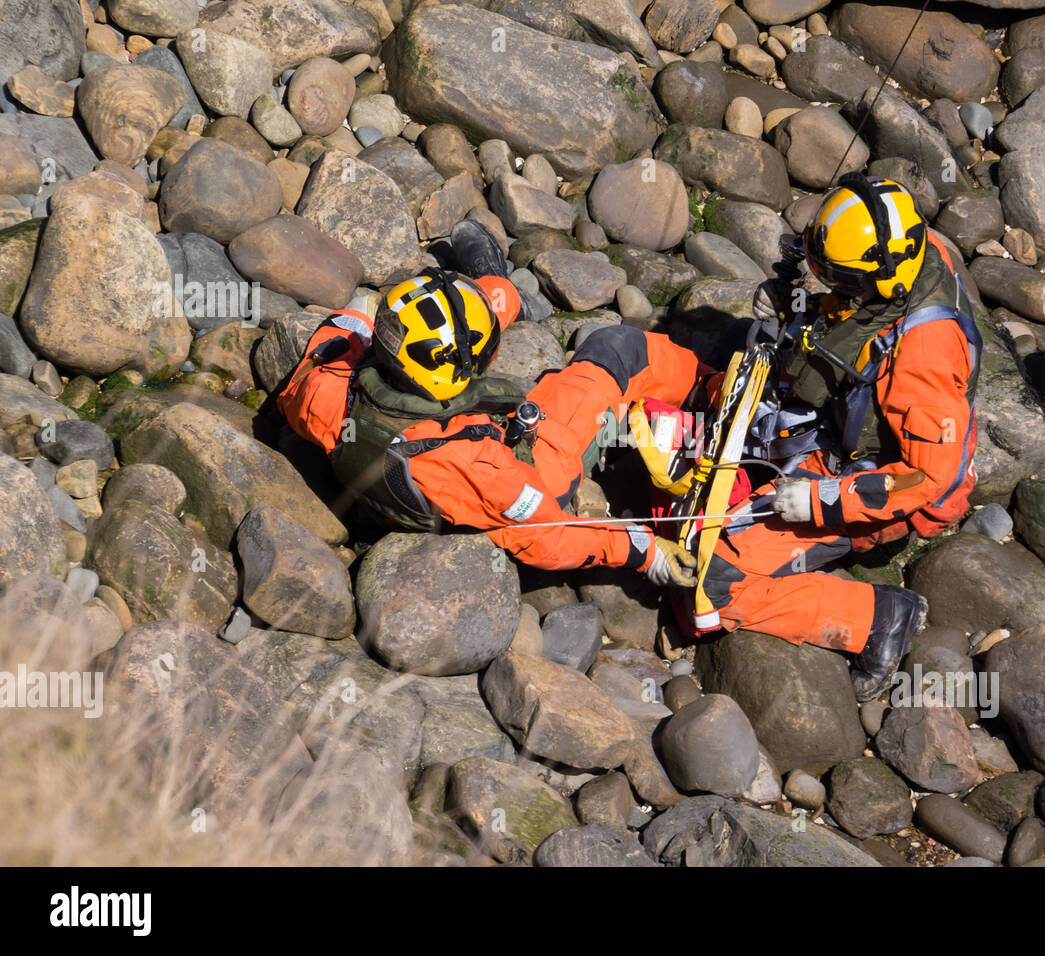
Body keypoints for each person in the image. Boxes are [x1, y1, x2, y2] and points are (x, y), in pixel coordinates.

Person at [277, 220, 708, 588]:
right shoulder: (481, 466)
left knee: (476, 308)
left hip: (409, 452)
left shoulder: (327, 391)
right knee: (615, 349)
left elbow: (338, 333)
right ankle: (706, 383)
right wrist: (642, 551)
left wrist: (362, 318)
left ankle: (494, 283)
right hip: (533, 466)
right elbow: (548, 536)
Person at [698, 173, 983, 701]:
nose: (828, 283)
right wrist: (790, 307)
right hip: (832, 425)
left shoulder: (925, 354)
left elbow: (928, 478)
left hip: (863, 481)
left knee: (713, 579)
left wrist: (817, 499)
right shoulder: (910, 250)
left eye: (838, 277)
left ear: (885, 271)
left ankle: (877, 618)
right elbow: (853, 320)